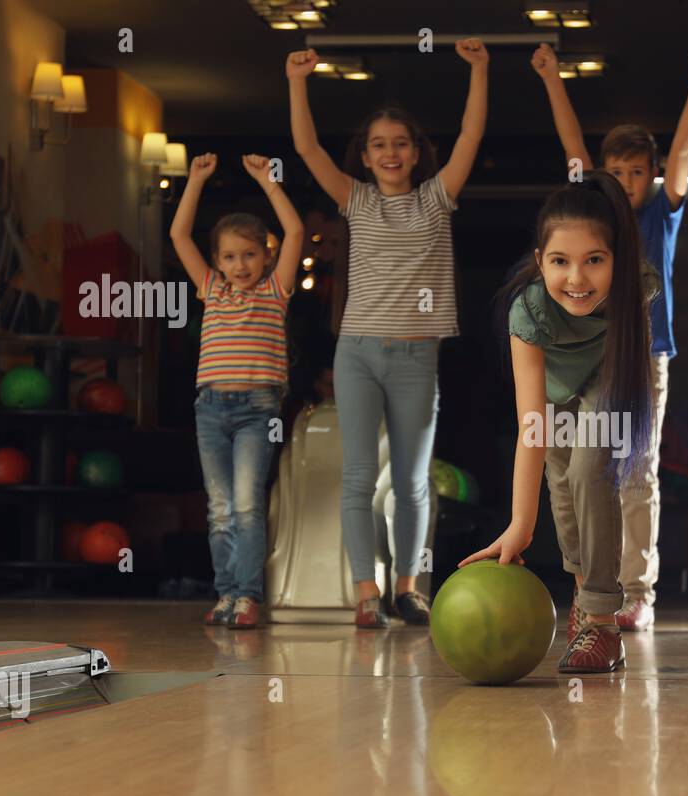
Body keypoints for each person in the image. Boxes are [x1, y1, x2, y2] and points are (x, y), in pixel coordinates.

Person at [286, 40, 488, 628]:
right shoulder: (355, 199)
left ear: (417, 151)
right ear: (367, 156)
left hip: (416, 355)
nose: (391, 152)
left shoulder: (437, 198)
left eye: (401, 142)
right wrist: (297, 81)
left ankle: (408, 587)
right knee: (356, 475)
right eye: (379, 144)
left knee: (411, 478)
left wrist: (478, 70)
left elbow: (472, 138)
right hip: (357, 353)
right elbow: (305, 146)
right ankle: (365, 593)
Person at [530, 41, 688, 630]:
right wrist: (552, 77)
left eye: (641, 171)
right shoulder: (595, 217)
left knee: (636, 471)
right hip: (585, 357)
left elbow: (684, 145)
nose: (631, 181)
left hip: (644, 357)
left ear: (655, 175)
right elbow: (571, 147)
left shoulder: (662, 213)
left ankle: (638, 591)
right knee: (574, 469)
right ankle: (591, 582)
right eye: (621, 171)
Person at [461, 171, 653, 673]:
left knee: (591, 470)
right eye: (560, 262)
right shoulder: (528, 312)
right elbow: (532, 425)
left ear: (618, 260)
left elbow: (629, 363)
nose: (577, 278)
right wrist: (519, 528)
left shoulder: (638, 288)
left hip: (608, 379)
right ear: (540, 261)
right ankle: (583, 593)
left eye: (594, 260)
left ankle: (603, 623)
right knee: (565, 492)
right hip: (555, 397)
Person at [169, 152, 304, 628]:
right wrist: (195, 182)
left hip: (257, 409)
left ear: (266, 255)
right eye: (229, 256)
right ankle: (225, 594)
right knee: (219, 508)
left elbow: (295, 232)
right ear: (216, 262)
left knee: (247, 504)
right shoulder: (212, 290)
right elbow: (178, 235)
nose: (240, 264)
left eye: (250, 254)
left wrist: (270, 182)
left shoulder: (276, 290)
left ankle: (247, 596)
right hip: (210, 408)